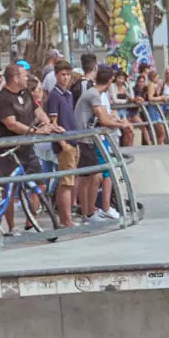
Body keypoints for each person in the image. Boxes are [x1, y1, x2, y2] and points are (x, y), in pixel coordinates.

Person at [0, 62, 61, 235]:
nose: (27, 78)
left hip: (28, 149)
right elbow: (12, 124)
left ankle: (32, 220)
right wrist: (35, 131)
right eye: (24, 75)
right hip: (9, 150)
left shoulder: (26, 93)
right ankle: (11, 226)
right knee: (9, 189)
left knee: (40, 184)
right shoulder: (1, 99)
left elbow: (38, 111)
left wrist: (49, 125)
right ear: (15, 78)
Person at [73, 65, 128, 224]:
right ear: (110, 81)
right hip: (86, 140)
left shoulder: (94, 93)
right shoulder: (94, 94)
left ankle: (87, 213)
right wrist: (121, 125)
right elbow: (103, 119)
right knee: (95, 177)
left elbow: (105, 116)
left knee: (85, 178)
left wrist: (117, 121)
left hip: (86, 139)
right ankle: (89, 213)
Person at [45, 59, 79, 228]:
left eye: (68, 74)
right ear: (56, 76)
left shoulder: (69, 94)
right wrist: (63, 144)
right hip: (64, 145)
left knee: (70, 182)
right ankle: (65, 220)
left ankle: (67, 217)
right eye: (62, 74)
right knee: (66, 183)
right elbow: (53, 122)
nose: (65, 78)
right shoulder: (54, 96)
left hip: (73, 141)